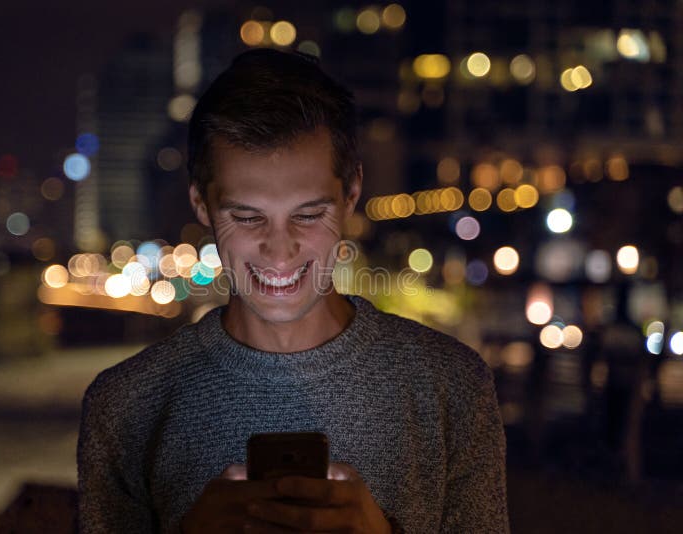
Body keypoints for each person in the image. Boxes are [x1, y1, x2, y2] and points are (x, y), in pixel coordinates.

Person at [77, 48, 509, 533]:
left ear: (351, 195)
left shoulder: (452, 387)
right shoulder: (124, 406)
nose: (279, 252)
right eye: (246, 216)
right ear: (201, 202)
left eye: (307, 215)